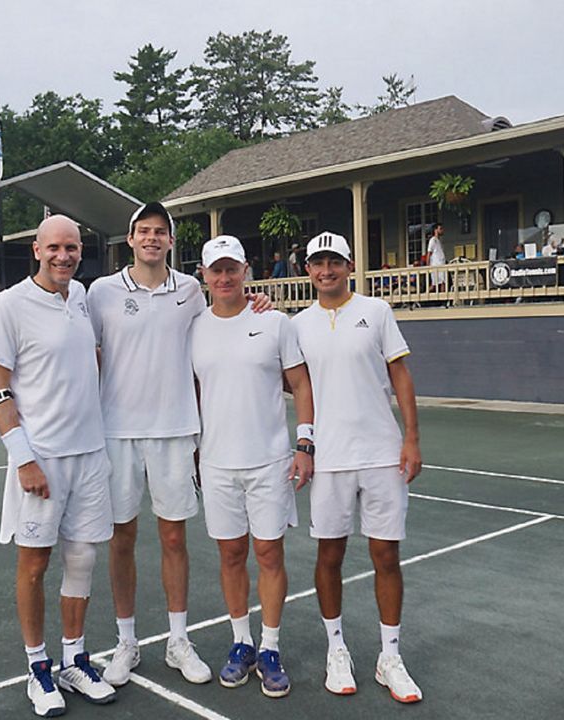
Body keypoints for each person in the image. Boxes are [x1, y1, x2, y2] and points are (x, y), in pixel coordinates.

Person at [0, 215, 117, 717]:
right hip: (41, 462)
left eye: (73, 248)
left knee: (82, 560)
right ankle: (38, 668)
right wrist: (23, 458)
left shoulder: (81, 297)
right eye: (54, 247)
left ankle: (74, 658)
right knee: (34, 565)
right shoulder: (10, 305)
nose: (64, 256)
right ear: (36, 249)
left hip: (90, 455)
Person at [292, 231, 423, 704]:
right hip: (328, 458)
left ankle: (390, 656)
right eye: (317, 263)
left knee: (386, 556)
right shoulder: (296, 324)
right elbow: (293, 384)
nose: (325, 270)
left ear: (349, 265)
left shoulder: (377, 312)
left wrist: (411, 438)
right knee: (329, 556)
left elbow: (400, 375)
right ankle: (336, 648)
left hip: (382, 454)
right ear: (307, 269)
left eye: (334, 261)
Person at [87, 202, 214, 687]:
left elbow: (218, 328)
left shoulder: (191, 290)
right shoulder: (101, 292)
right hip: (115, 433)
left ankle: (178, 641)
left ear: (170, 241)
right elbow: (84, 352)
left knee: (175, 537)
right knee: (122, 538)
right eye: (144, 231)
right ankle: (126, 642)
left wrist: (259, 303)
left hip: (175, 430)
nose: (152, 238)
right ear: (130, 238)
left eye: (160, 232)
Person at [191, 235, 315, 699]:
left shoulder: (275, 323)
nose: (224, 278)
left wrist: (305, 444)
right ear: (204, 275)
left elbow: (301, 385)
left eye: (232, 269)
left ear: (246, 270)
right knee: (230, 555)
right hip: (217, 464)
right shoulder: (194, 327)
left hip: (269, 462)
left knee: (269, 554)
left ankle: (269, 647)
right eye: (215, 270)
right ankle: (241, 642)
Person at [425, 223, 447, 290]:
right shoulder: (432, 240)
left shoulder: (438, 241)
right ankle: (424, 295)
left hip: (441, 264)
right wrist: (427, 265)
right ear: (435, 230)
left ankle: (443, 299)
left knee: (443, 282)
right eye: (440, 229)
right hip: (436, 265)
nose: (442, 230)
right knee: (435, 284)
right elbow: (429, 253)